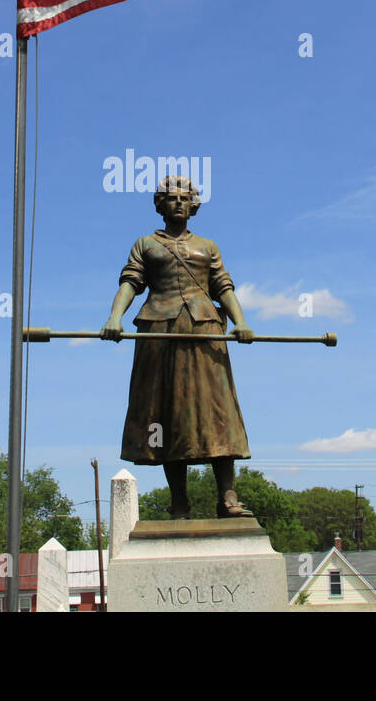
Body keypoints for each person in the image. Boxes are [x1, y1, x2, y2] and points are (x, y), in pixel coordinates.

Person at [101, 175, 255, 518]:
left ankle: (227, 497)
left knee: (219, 414)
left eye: (186, 198)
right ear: (160, 205)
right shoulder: (145, 244)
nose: (179, 203)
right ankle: (179, 503)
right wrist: (115, 317)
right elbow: (131, 283)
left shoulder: (208, 246)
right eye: (171, 198)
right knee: (169, 413)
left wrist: (241, 322)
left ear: (194, 205)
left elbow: (222, 286)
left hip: (204, 332)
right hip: (160, 331)